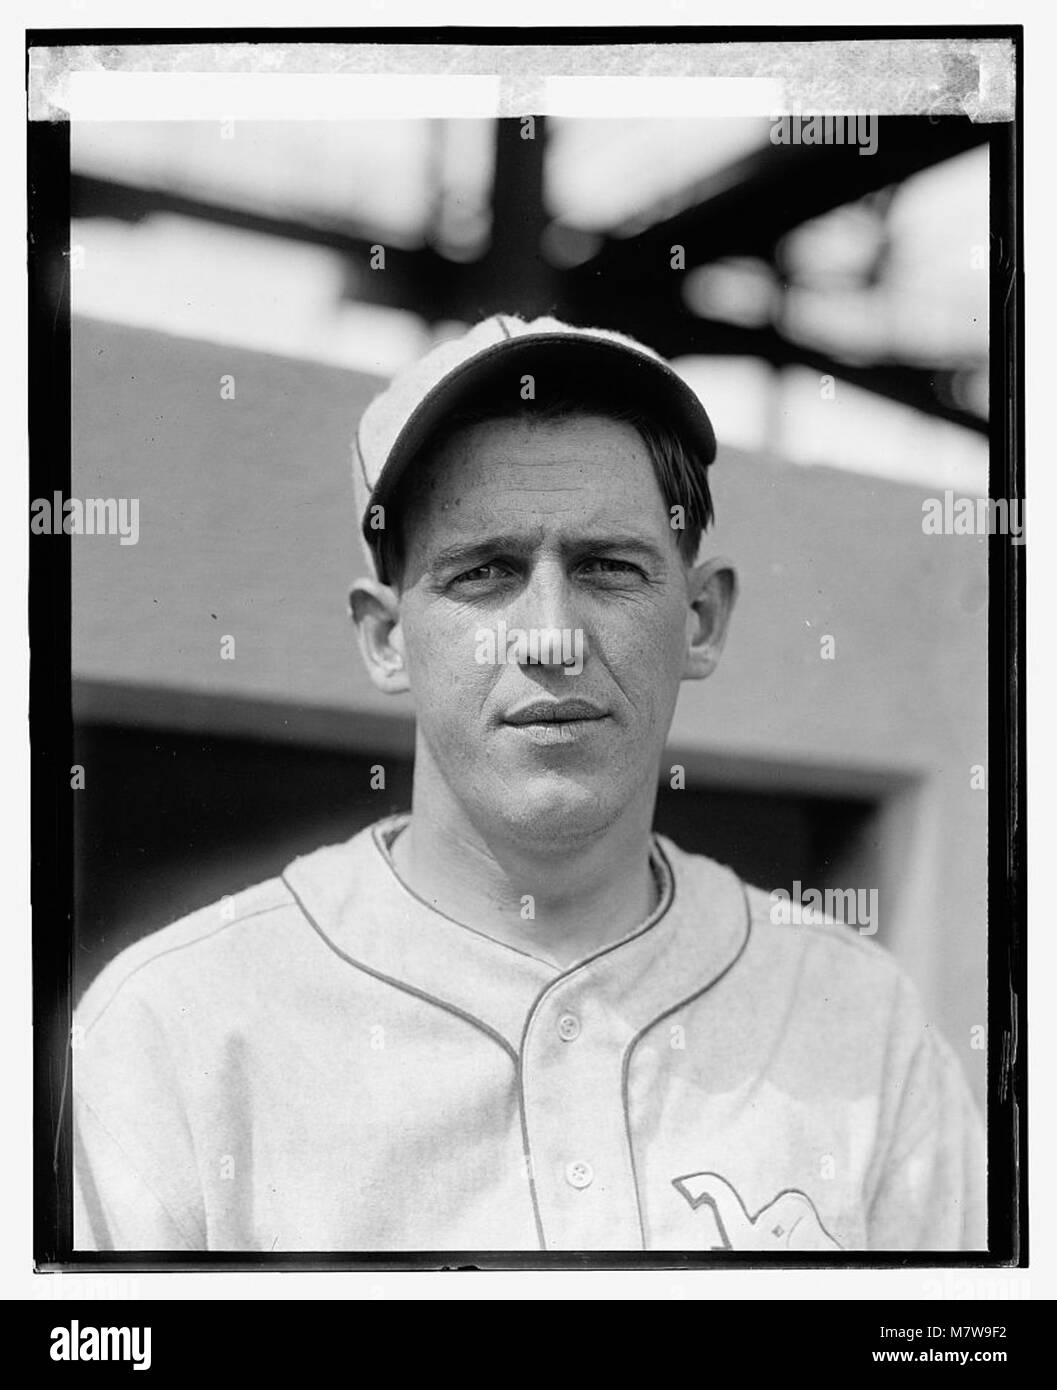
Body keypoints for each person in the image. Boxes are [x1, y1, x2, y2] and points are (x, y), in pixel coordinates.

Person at [73, 314, 985, 1252]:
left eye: (606, 567)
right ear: (386, 639)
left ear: (701, 618)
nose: (551, 635)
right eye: (484, 573)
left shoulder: (859, 1017)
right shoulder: (175, 1025)